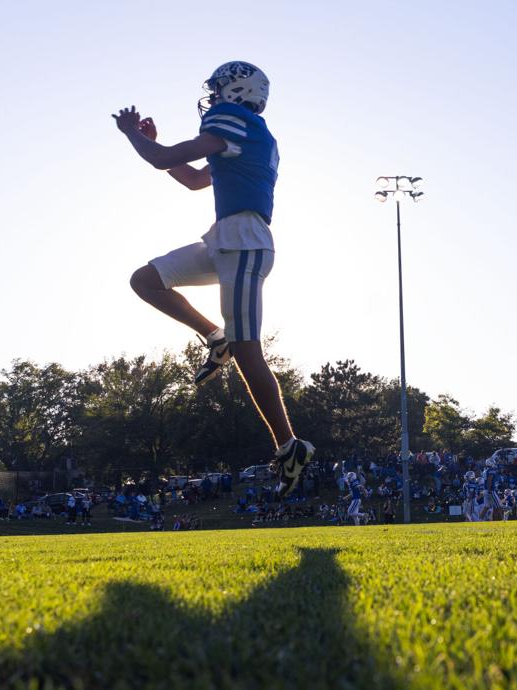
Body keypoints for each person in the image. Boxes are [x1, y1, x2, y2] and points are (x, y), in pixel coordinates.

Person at [115, 61, 314, 498]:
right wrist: (152, 143)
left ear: (237, 91)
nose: (214, 96)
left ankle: (290, 446)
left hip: (245, 242)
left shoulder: (238, 120)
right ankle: (213, 336)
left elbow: (166, 159)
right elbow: (192, 179)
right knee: (146, 280)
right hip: (225, 239)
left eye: (220, 88)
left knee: (249, 352)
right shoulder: (249, 134)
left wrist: (134, 135)